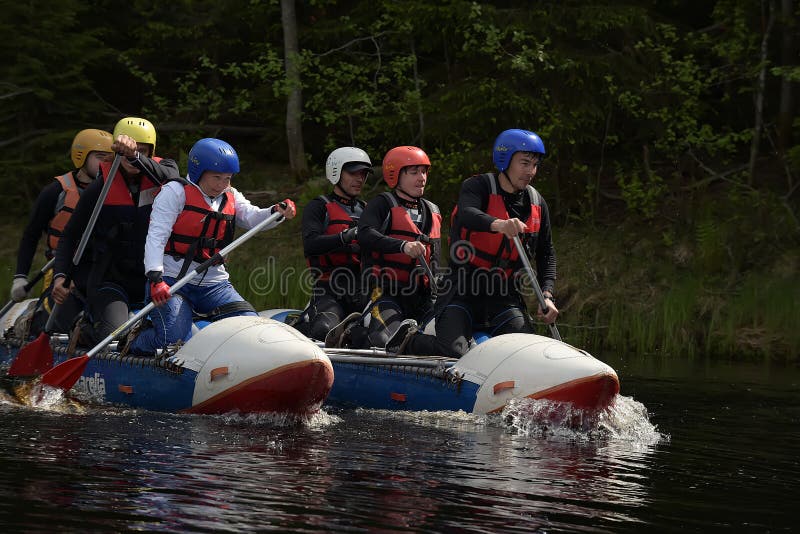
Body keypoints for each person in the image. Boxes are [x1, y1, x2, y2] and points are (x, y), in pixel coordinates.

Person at [125, 138, 296, 355]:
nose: (223, 184)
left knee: (250, 329)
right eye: (217, 177)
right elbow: (156, 237)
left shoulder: (230, 194)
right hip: (172, 281)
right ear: (198, 171)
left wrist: (276, 211)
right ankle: (135, 341)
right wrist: (155, 279)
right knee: (172, 337)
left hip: (214, 284)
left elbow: (253, 218)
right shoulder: (175, 192)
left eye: (228, 178)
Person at [52, 117, 181, 345]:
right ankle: (85, 331)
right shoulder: (99, 189)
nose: (134, 156)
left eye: (143, 150)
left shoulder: (166, 173)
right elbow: (70, 236)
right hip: (111, 280)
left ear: (151, 152)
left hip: (153, 278)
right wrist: (61, 274)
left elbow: (170, 177)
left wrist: (133, 154)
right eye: (129, 151)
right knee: (115, 335)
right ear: (116, 152)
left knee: (174, 331)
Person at [432, 128, 558, 358]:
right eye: (525, 163)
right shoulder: (477, 187)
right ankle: (415, 340)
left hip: (504, 298)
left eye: (535, 165)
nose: (531, 171)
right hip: (461, 293)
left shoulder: (537, 202)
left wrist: (547, 295)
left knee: (527, 355)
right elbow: (467, 214)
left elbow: (546, 254)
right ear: (505, 160)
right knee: (455, 354)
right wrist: (500, 224)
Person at [9, 128, 113, 335]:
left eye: (109, 159)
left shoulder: (113, 191)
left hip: (98, 270)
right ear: (80, 156)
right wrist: (20, 276)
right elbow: (31, 235)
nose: (104, 164)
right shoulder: (55, 191)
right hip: (59, 268)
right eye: (99, 157)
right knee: (55, 317)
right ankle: (33, 322)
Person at [341, 146, 443, 355]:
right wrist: (402, 246)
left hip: (422, 296)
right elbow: (365, 234)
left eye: (424, 172)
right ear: (395, 175)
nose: (421, 178)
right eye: (414, 172)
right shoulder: (382, 204)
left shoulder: (433, 211)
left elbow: (435, 258)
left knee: (446, 337)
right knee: (381, 340)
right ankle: (352, 332)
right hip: (386, 293)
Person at [293, 147, 372, 342]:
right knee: (323, 330)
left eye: (363, 174)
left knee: (374, 334)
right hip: (328, 288)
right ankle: (300, 326)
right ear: (336, 172)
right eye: (353, 173)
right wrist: (346, 236)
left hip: (363, 289)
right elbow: (311, 244)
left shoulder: (368, 210)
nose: (359, 179)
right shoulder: (318, 207)